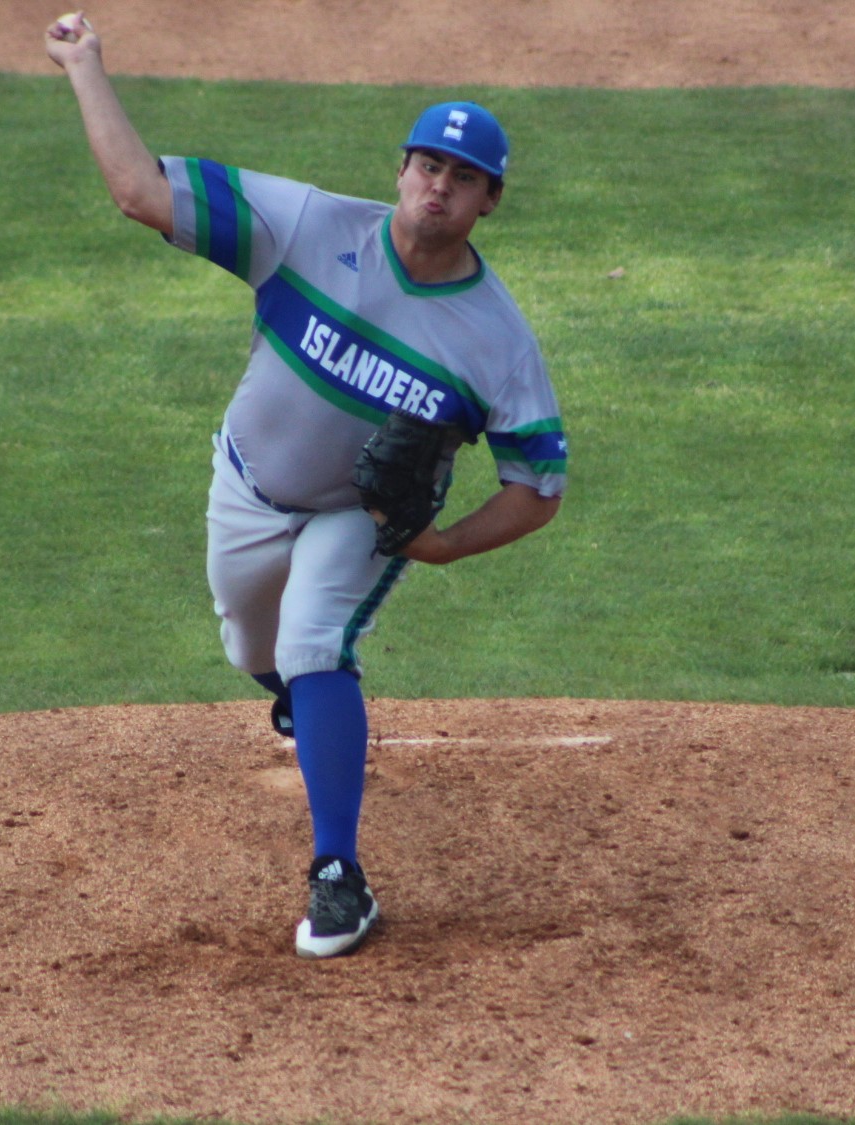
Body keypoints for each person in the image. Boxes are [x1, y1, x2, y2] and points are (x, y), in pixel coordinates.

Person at [45, 12, 568, 959]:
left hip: (360, 518)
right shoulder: (305, 224)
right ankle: (295, 695)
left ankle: (339, 876)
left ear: (491, 199)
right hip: (245, 485)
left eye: (464, 178)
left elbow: (539, 486)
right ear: (400, 170)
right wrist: (85, 66)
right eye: (428, 166)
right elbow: (138, 192)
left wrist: (443, 543)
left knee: (314, 640)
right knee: (251, 640)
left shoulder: (497, 339)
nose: (439, 187)